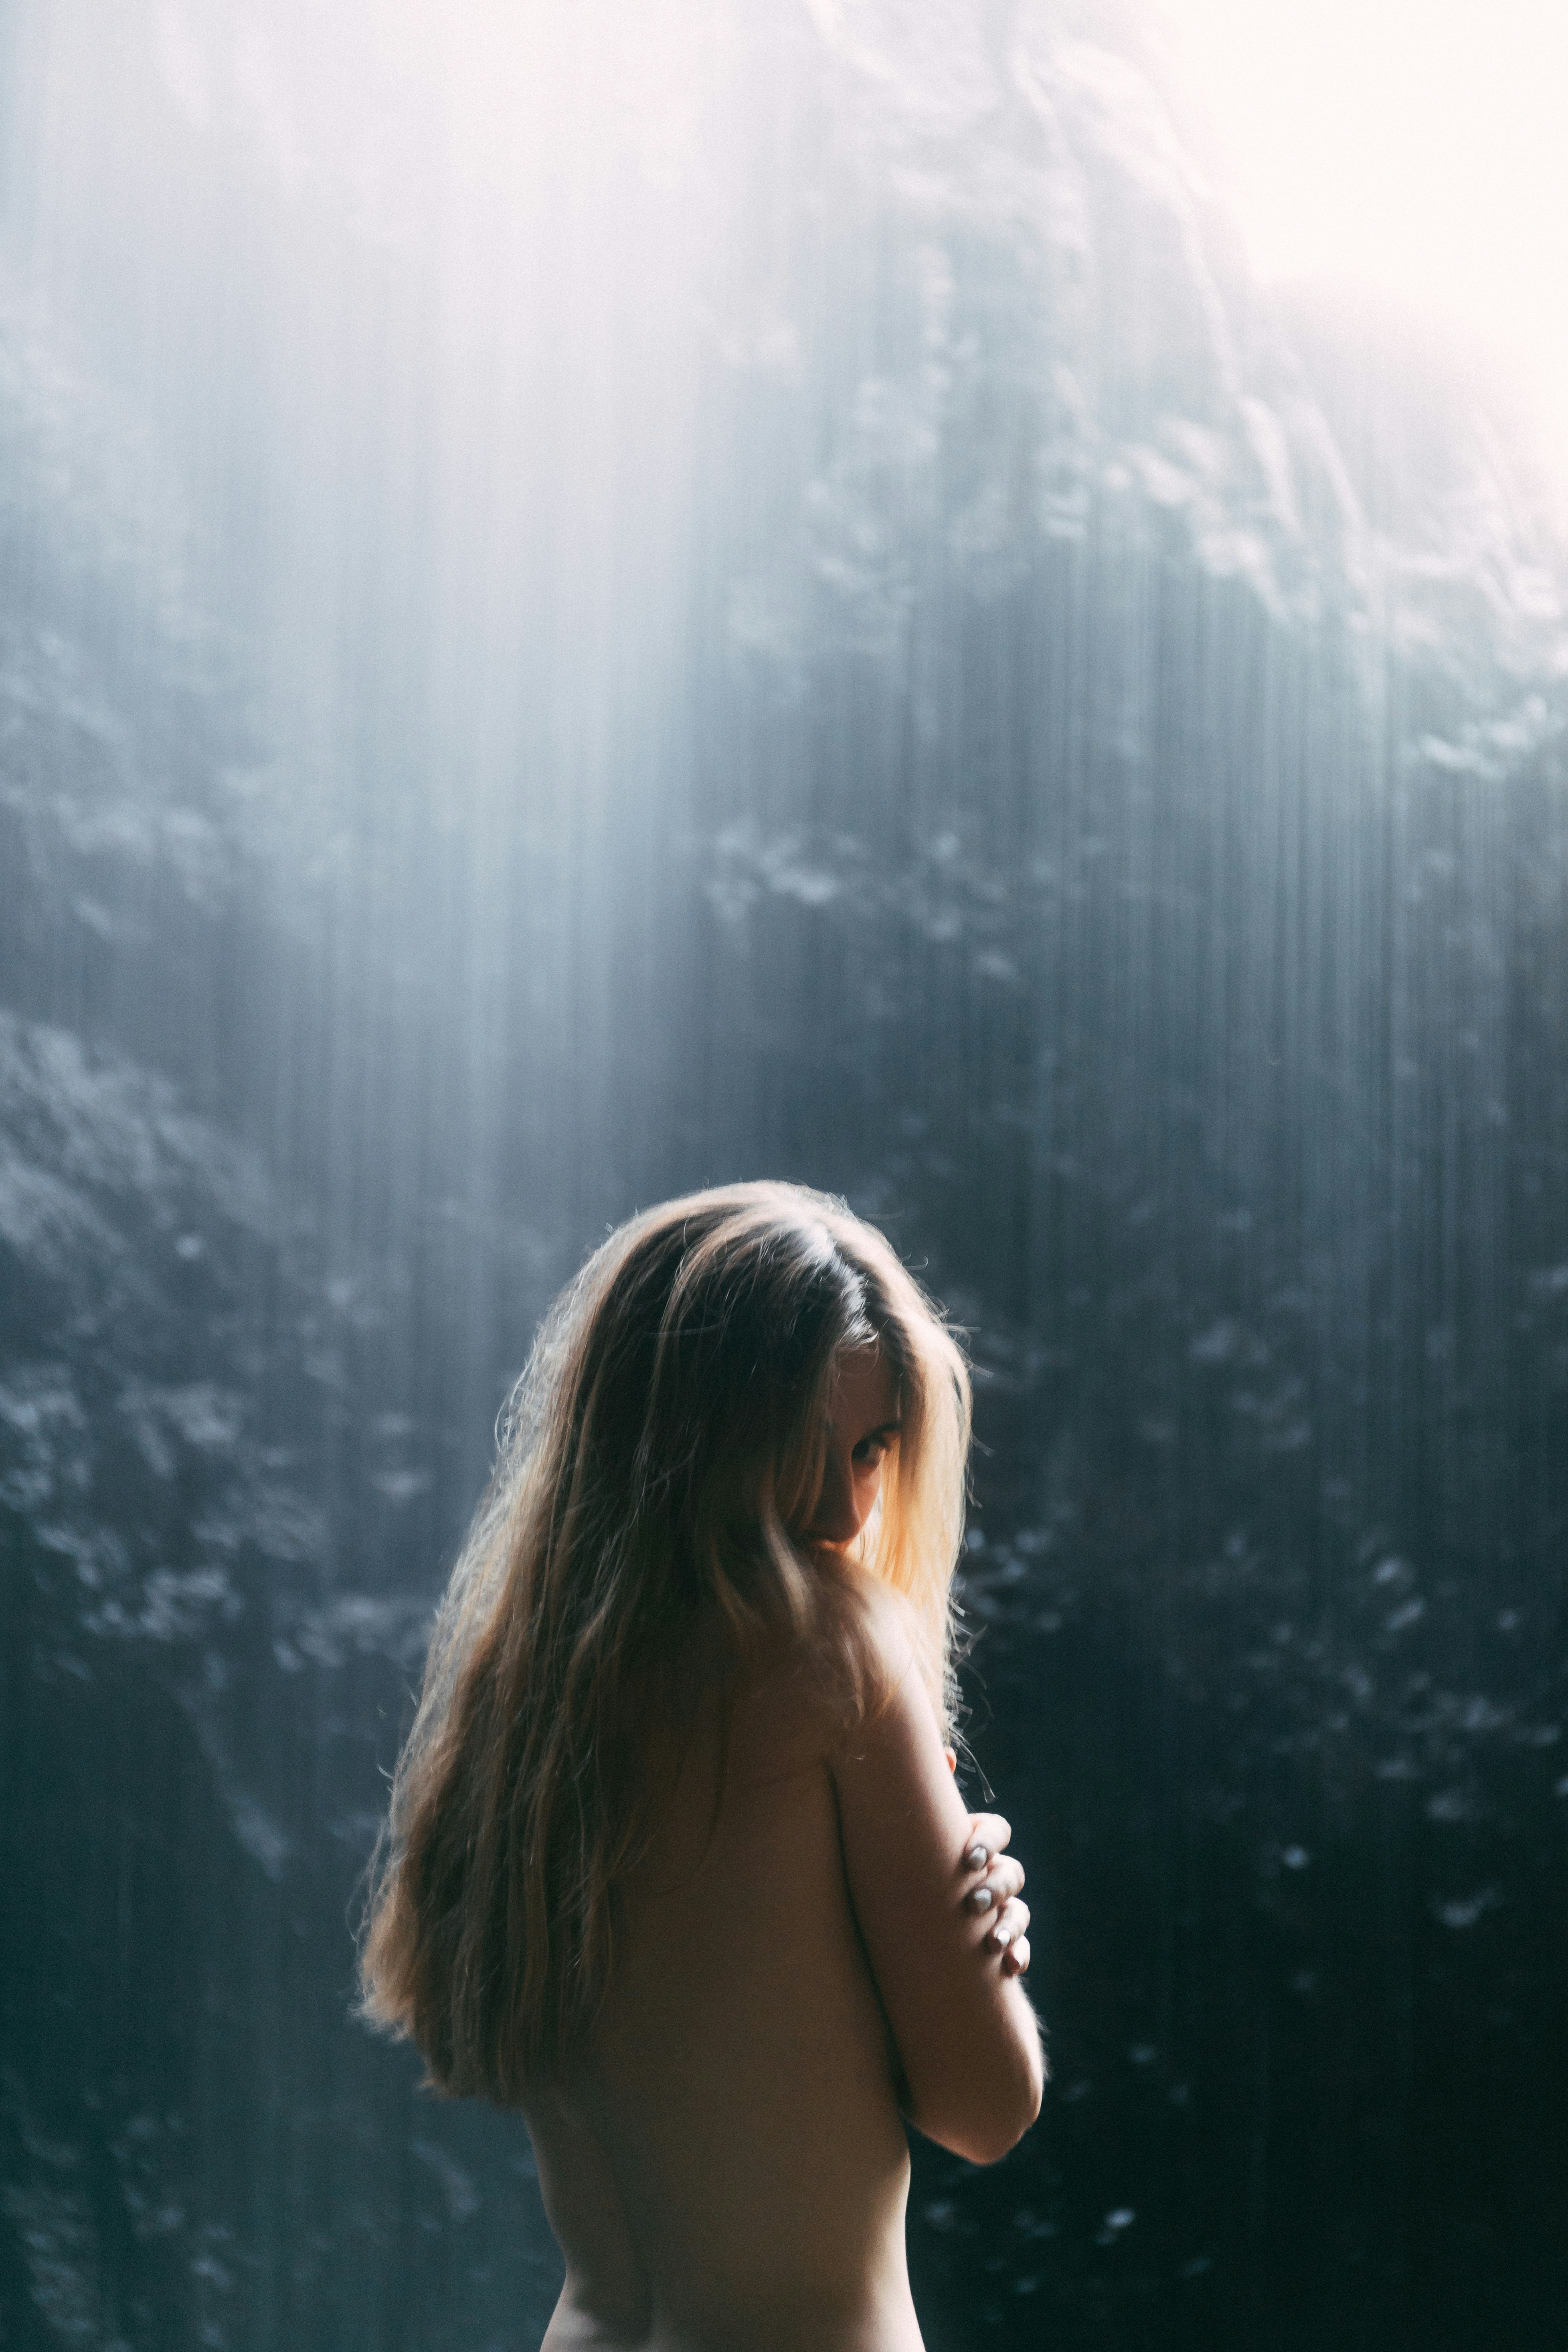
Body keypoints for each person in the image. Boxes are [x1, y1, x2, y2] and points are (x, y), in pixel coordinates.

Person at [359, 1181, 1045, 2350]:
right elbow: (987, 2106)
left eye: (873, 1449)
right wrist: (977, 1933)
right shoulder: (830, 1644)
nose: (839, 1509)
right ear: (697, 1437)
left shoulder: (520, 1706)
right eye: (799, 1450)